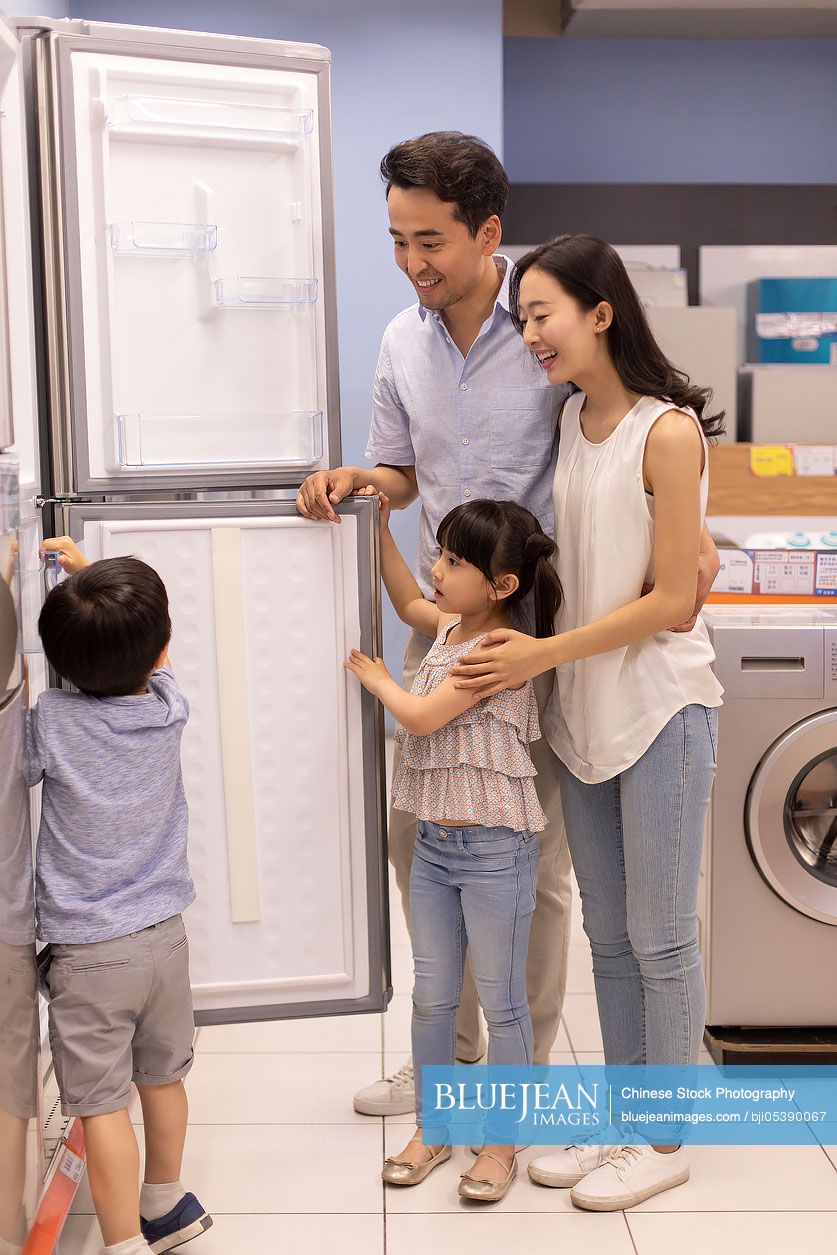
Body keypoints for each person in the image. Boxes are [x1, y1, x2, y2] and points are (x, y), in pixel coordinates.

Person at [298, 132, 576, 1115]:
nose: (413, 263)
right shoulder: (398, 341)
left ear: (487, 232)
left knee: (528, 859)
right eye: (397, 240)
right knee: (416, 835)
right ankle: (445, 1055)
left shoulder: (548, 325)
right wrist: (358, 480)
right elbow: (403, 475)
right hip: (435, 623)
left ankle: (518, 1074)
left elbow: (617, 430)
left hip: (532, 633)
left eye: (432, 241)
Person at [450, 234, 724, 1211]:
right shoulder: (572, 421)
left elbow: (672, 606)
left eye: (541, 314)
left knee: (661, 939)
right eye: (521, 319)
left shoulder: (669, 432)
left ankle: (665, 1137)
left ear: (600, 312)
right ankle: (621, 1118)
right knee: (610, 936)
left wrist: (536, 657)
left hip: (658, 710)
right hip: (583, 715)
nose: (530, 333)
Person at [345, 492, 562, 1201]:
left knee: (501, 1003)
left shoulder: (496, 649)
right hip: (437, 845)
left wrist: (377, 677)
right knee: (432, 996)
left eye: (454, 561)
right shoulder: (449, 625)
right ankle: (435, 1128)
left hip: (495, 851)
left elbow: (422, 716)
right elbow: (408, 599)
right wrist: (378, 531)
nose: (436, 570)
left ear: (501, 585)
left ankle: (499, 1141)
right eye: (440, 553)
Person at [24, 537, 212, 1255]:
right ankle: (164, 1201)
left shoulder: (50, 723)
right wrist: (86, 576)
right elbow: (142, 648)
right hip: (164, 936)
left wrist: (69, 600)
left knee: (101, 1104)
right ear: (159, 652)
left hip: (90, 952)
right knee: (162, 1077)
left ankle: (124, 1240)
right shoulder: (167, 705)